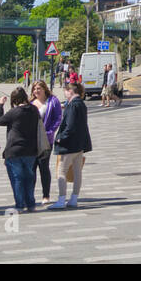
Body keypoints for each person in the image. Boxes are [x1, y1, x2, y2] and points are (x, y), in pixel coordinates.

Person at [0, 87, 43, 212]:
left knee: (17, 178)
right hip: (31, 150)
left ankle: (20, 204)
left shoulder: (14, 112)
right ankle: (31, 204)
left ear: (14, 99)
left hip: (14, 150)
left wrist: (0, 105)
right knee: (29, 177)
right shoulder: (34, 110)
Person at [48, 81, 91, 210]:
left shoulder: (72, 106)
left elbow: (70, 125)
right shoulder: (81, 104)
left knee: (61, 171)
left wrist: (61, 138)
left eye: (65, 91)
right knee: (77, 172)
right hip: (80, 144)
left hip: (69, 145)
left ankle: (61, 199)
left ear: (70, 91)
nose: (65, 94)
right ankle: (74, 199)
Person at [29, 80, 62, 206]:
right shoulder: (30, 103)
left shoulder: (53, 101)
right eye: (34, 89)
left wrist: (50, 131)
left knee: (43, 167)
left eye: (39, 88)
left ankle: (46, 195)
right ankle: (30, 195)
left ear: (44, 89)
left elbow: (58, 117)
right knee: (31, 168)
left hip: (46, 140)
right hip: (32, 140)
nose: (36, 91)